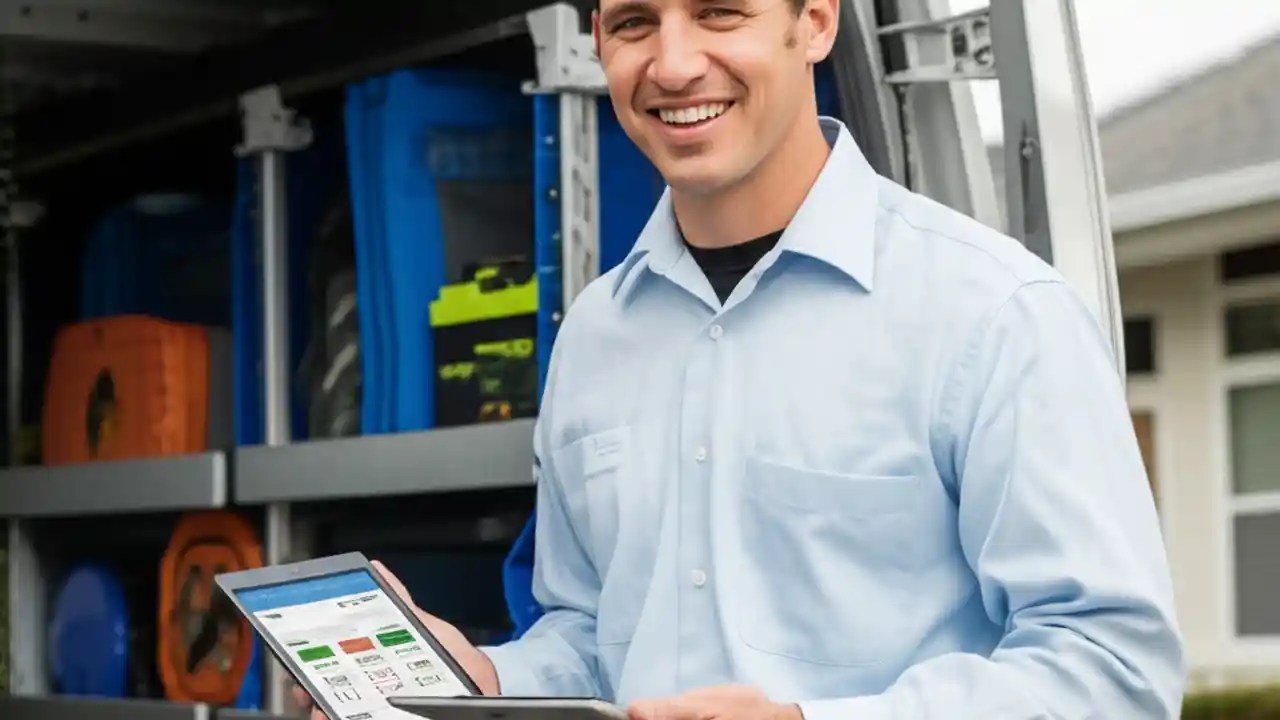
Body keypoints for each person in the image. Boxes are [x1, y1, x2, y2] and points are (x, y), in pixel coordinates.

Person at [300, 0, 1186, 717]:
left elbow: (1114, 673)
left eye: (721, 13)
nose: (674, 64)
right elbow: (593, 635)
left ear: (817, 22)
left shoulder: (993, 316)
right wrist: (486, 685)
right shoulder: (595, 337)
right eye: (636, 22)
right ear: (599, 39)